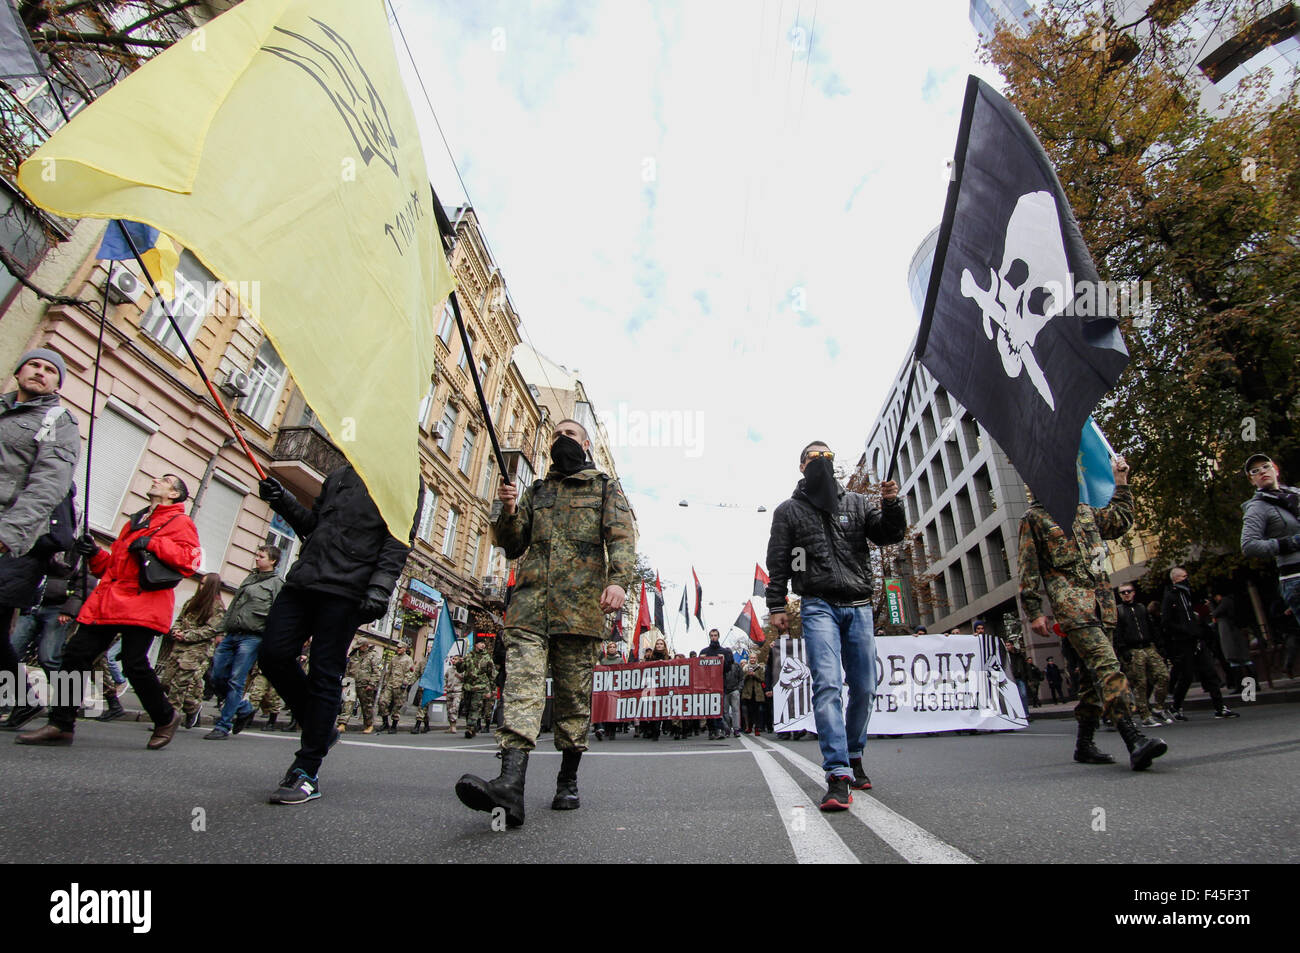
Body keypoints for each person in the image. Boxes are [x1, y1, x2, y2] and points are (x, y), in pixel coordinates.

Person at [455, 418, 634, 828]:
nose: (561, 440)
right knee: (522, 690)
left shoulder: (604, 487)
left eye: (569, 434)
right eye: (555, 435)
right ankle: (509, 787)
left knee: (573, 703)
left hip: (580, 611)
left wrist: (620, 583)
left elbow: (622, 538)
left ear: (586, 444)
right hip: (530, 608)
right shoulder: (537, 490)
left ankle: (567, 779)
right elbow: (513, 543)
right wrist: (510, 509)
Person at [254, 464, 413, 804]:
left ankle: (306, 770)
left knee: (324, 673)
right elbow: (315, 527)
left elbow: (398, 538)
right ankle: (321, 727)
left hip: (346, 589)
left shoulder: (404, 474)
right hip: (304, 579)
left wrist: (381, 588)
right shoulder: (340, 473)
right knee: (272, 655)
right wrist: (283, 501)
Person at [765, 440, 904, 809]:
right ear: (801, 467)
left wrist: (892, 504)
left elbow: (888, 534)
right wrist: (776, 604)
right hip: (818, 605)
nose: (821, 462)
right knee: (827, 684)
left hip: (858, 605)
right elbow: (778, 561)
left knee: (865, 686)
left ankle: (854, 752)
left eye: (827, 456)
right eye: (814, 457)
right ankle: (838, 773)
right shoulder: (789, 512)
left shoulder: (857, 503)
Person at [19, 472, 200, 749]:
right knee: (75, 655)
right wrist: (94, 554)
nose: (155, 480)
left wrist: (154, 543)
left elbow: (190, 560)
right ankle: (60, 725)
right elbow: (113, 567)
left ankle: (165, 717)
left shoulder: (180, 521)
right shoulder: (136, 521)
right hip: (110, 601)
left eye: (164, 480)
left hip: (143, 603)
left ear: (174, 494)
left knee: (134, 663)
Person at [1018, 456, 1167, 770]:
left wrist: (1121, 481)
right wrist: (1035, 611)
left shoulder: (1085, 512)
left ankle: (1084, 745)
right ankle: (1134, 738)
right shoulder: (1034, 519)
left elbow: (1121, 520)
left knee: (1090, 679)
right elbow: (1027, 569)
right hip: (1073, 606)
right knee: (1108, 665)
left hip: (1103, 605)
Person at [0, 348, 80, 728]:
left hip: (19, 537)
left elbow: (49, 483)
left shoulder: (57, 419)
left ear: (57, 384)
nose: (41, 372)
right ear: (18, 371)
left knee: (44, 652)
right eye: (35, 364)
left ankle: (31, 702)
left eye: (51, 370)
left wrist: (9, 533)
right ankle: (24, 701)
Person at [204, 545, 283, 740]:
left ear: (272, 561)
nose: (256, 559)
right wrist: (221, 629)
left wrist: (270, 640)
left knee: (235, 680)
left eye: (261, 556)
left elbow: (278, 614)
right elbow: (234, 605)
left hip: (252, 636)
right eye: (257, 555)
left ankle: (223, 725)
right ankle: (243, 707)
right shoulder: (251, 578)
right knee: (216, 675)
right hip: (231, 633)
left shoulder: (277, 583)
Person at [1161, 568, 1237, 720]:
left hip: (1197, 639)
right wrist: (1184, 631)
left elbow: (1194, 615)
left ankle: (1219, 707)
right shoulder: (1171, 596)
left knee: (1210, 672)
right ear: (1176, 579)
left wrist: (1199, 630)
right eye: (1184, 576)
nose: (1187, 579)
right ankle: (1176, 707)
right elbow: (1166, 622)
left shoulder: (1187, 594)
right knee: (1187, 675)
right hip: (1183, 642)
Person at [1240, 453, 1300, 628]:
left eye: (1266, 467)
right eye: (1255, 471)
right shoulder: (1257, 507)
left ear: (1276, 470)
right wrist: (1290, 543)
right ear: (1252, 480)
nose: (1262, 472)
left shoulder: (1295, 495)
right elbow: (1249, 545)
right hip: (1295, 577)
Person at [158, 573, 224, 730]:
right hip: (179, 647)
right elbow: (180, 619)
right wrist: (176, 631)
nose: (200, 587)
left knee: (179, 685)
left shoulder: (217, 607)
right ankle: (193, 708)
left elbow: (211, 630)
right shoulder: (192, 601)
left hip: (196, 649)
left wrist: (186, 635)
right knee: (166, 682)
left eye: (204, 584)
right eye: (200, 583)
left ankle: (167, 723)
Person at [1114, 584, 1171, 726]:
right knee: (1140, 683)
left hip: (1148, 646)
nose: (1126, 594)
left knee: (1163, 676)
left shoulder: (1142, 608)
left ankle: (1158, 707)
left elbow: (1152, 627)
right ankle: (1145, 715)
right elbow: (1117, 633)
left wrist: (1160, 645)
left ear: (1134, 593)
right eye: (1123, 592)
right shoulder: (1118, 611)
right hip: (1132, 650)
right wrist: (1123, 651)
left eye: (1128, 591)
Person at [455, 639, 496, 738]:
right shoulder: (469, 656)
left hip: (480, 686)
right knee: (467, 707)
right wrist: (459, 663)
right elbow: (461, 669)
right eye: (480, 643)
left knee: (475, 707)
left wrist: (492, 689)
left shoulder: (487, 658)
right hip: (468, 686)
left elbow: (492, 675)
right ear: (476, 645)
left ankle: (470, 728)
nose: (482, 645)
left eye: (484, 644)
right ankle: (470, 727)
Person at [699, 628, 734, 740]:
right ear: (710, 637)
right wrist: (700, 660)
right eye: (712, 635)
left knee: (719, 707)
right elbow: (698, 669)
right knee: (709, 707)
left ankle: (720, 729)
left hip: (720, 683)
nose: (713, 637)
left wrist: (724, 661)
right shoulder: (704, 652)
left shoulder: (724, 651)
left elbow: (729, 668)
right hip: (707, 684)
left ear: (718, 636)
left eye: (715, 635)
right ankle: (712, 730)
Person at [379, 643, 415, 733]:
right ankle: (385, 722)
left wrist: (405, 683)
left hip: (400, 686)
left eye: (400, 648)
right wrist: (385, 683)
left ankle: (394, 726)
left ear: (404, 649)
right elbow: (389, 671)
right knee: (383, 702)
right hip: (390, 684)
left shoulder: (408, 659)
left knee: (397, 706)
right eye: (397, 647)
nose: (398, 649)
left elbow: (410, 673)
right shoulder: (394, 658)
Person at [353, 640, 384, 734]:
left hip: (366, 684)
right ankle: (342, 723)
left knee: (366, 706)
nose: (359, 648)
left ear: (366, 646)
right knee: (347, 704)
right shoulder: (356, 654)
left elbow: (377, 671)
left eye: (361, 646)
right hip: (353, 682)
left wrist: (372, 684)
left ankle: (369, 725)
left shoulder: (374, 655)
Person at [442, 652, 463, 734]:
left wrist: (460, 677)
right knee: (449, 709)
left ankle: (454, 726)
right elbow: (445, 678)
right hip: (449, 691)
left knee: (454, 708)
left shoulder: (462, 670)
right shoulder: (449, 670)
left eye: (455, 659)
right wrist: (445, 686)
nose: (453, 660)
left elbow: (465, 678)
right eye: (453, 659)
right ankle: (451, 726)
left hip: (457, 691)